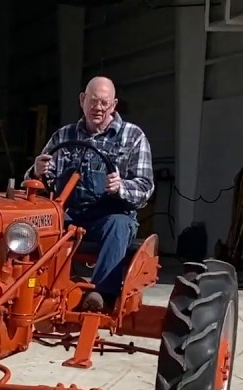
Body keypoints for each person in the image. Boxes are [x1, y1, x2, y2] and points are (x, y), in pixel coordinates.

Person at [25, 76, 154, 312]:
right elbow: (35, 182)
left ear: (114, 105)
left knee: (118, 224)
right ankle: (35, 288)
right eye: (93, 101)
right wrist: (37, 170)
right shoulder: (63, 136)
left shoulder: (133, 137)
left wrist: (121, 187)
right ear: (82, 100)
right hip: (71, 213)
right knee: (38, 224)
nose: (98, 108)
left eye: (105, 103)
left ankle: (102, 294)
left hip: (111, 214)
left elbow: (146, 188)